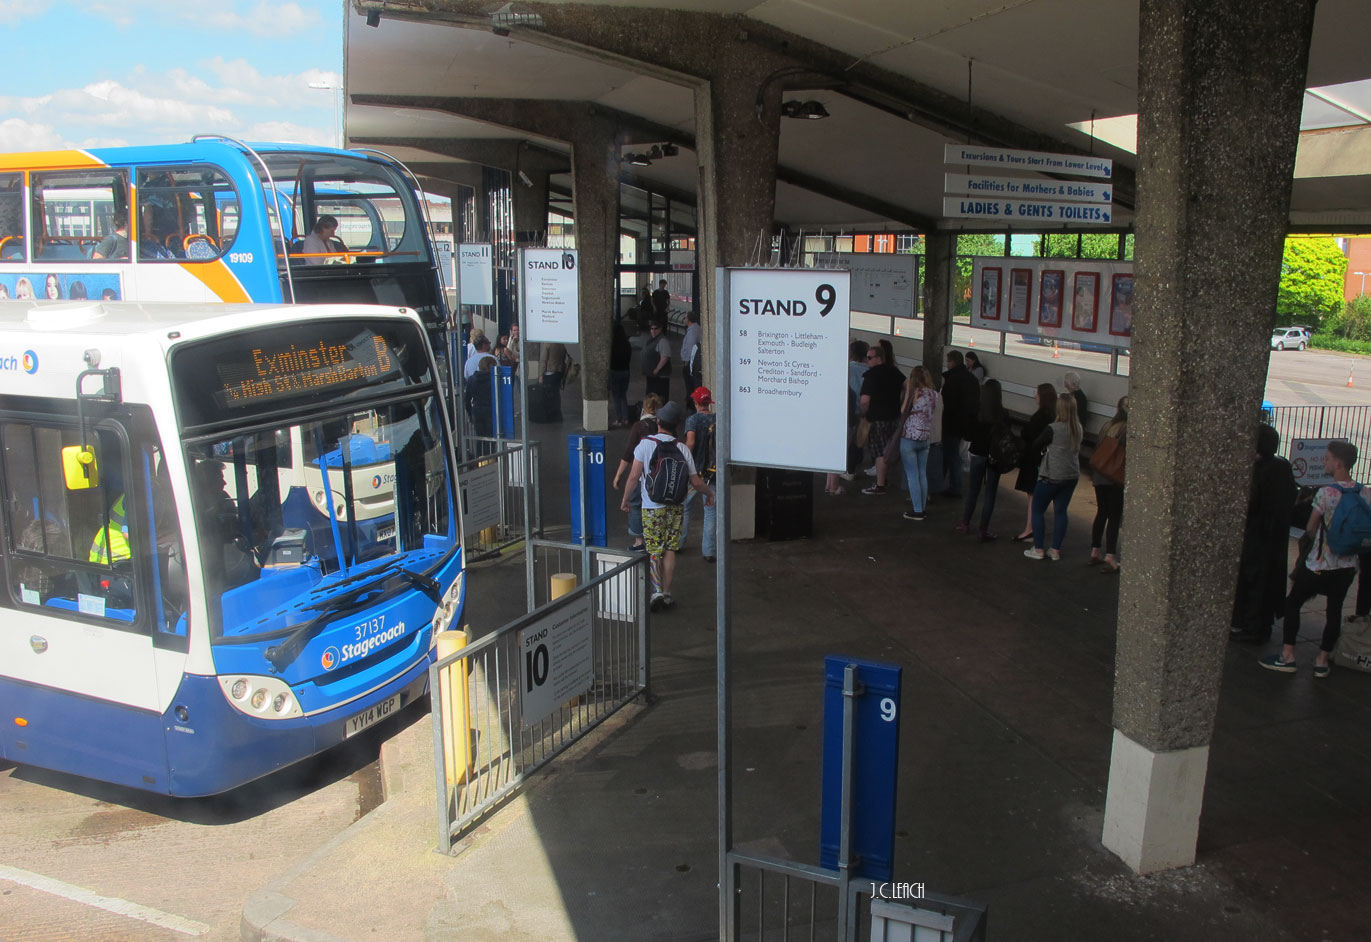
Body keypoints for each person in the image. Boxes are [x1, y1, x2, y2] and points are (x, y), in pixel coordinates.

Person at [1261, 441, 1369, 676]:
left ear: (1338, 463)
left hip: (1320, 564)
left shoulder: (1326, 493)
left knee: (1293, 603)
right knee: (1334, 610)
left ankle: (1288, 656)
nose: (1324, 462)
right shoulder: (1364, 492)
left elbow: (1311, 527)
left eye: (1327, 459)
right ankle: (1322, 660)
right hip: (1348, 566)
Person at [621, 401, 714, 611]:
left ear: (659, 421)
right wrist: (709, 494)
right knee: (670, 548)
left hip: (651, 507)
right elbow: (696, 481)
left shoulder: (645, 444)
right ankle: (668, 592)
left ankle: (656, 592)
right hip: (675, 506)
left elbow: (634, 477)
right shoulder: (681, 448)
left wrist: (626, 499)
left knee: (654, 550)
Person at [1230, 424, 1297, 644]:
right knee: (1268, 581)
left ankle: (1250, 625)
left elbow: (1251, 503)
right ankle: (1262, 624)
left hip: (1257, 535)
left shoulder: (1258, 470)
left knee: (1253, 581)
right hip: (1275, 536)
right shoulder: (1283, 466)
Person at [1024, 393, 1082, 561]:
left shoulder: (1053, 428)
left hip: (1052, 475)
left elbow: (1036, 445)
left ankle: (1039, 548)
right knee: (1061, 512)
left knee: (1037, 509)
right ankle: (1055, 550)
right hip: (1071, 475)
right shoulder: (1078, 427)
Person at [958, 378, 1009, 541]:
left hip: (978, 454)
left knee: (973, 490)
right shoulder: (1003, 414)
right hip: (994, 457)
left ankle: (965, 522)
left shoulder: (976, 412)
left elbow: (968, 434)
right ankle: (983, 529)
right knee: (990, 493)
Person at [613, 394, 663, 552]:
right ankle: (656, 538)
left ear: (645, 408)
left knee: (635, 505)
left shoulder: (639, 427)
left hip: (642, 475)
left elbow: (628, 453)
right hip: (661, 474)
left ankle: (639, 541)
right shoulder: (664, 425)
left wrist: (618, 475)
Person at [1012, 383, 1058, 543]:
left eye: (1036, 393)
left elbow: (1028, 434)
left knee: (1032, 497)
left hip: (1033, 461)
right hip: (1045, 460)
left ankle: (1030, 529)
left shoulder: (1039, 417)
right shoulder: (1054, 416)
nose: (1034, 396)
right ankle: (1031, 529)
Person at [1088, 397, 1129, 572]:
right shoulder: (1127, 429)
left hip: (1099, 474)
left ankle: (1094, 551)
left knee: (1101, 512)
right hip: (1114, 477)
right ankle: (1111, 555)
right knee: (1114, 516)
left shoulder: (1107, 425)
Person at [858, 345, 903, 494]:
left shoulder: (871, 376)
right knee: (889, 450)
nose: (867, 360)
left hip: (877, 419)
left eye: (870, 358)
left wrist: (863, 413)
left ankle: (880, 484)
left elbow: (864, 401)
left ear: (879, 358)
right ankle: (884, 479)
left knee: (879, 453)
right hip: (894, 418)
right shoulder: (895, 372)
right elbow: (907, 385)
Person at [894, 365, 937, 519]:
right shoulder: (934, 394)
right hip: (925, 437)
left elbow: (903, 410)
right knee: (922, 474)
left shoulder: (914, 393)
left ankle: (917, 509)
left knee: (912, 475)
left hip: (909, 437)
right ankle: (922, 507)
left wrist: (908, 394)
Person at [939, 350, 980, 498]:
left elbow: (946, 403)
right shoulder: (972, 379)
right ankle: (946, 483)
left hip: (951, 422)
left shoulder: (951, 380)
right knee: (953, 453)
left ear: (951, 362)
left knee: (950, 454)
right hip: (966, 423)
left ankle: (953, 486)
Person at [684, 387, 718, 562]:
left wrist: (683, 460)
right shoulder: (716, 419)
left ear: (696, 403)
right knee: (710, 509)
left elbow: (690, 443)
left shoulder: (692, 420)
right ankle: (709, 551)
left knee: (684, 506)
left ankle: (678, 543)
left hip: (694, 472)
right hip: (713, 472)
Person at [609, 319, 633, 428]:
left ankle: (619, 419)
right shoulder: (627, 344)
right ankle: (626, 418)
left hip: (615, 371)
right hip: (625, 371)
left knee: (616, 396)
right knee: (623, 395)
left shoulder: (612, 345)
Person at [642, 319, 672, 401]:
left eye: (656, 328)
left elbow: (665, 357)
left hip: (660, 376)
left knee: (659, 399)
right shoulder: (651, 340)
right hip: (652, 376)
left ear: (660, 329)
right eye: (652, 329)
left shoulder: (662, 341)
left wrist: (657, 369)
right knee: (651, 398)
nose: (653, 331)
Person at [681, 310, 702, 406]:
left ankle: (691, 406)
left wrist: (687, 362)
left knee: (690, 386)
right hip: (690, 362)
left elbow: (690, 348)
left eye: (685, 318)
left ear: (689, 320)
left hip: (689, 363)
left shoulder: (693, 331)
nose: (684, 319)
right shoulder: (694, 329)